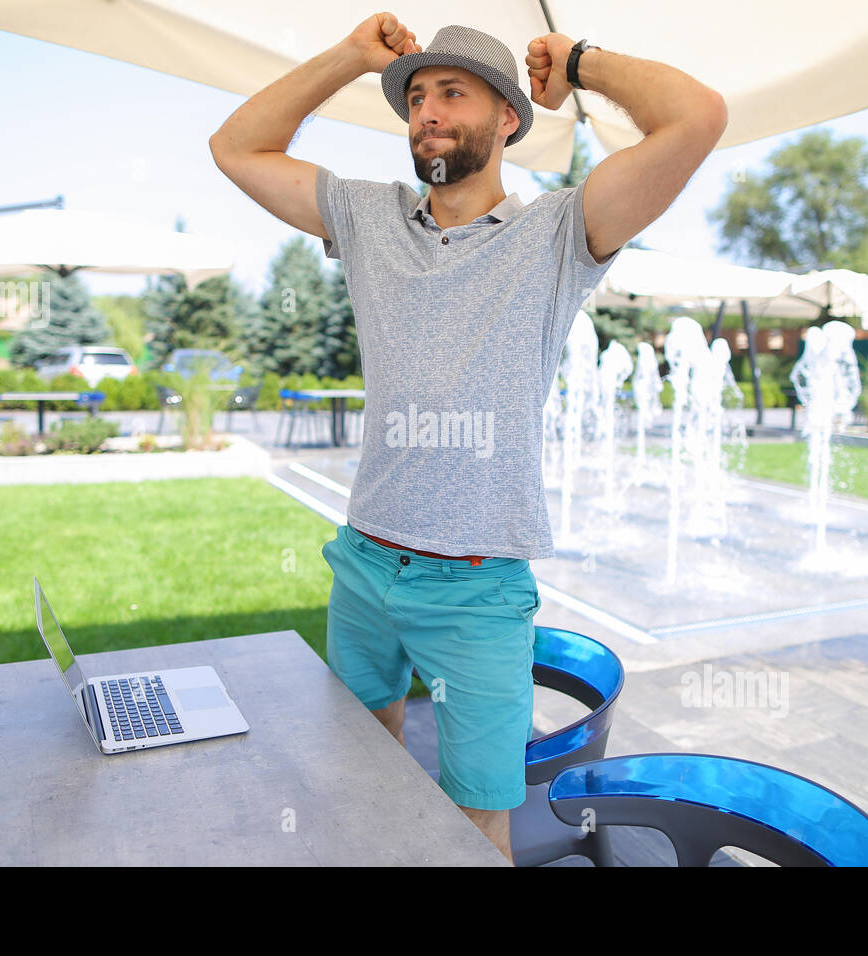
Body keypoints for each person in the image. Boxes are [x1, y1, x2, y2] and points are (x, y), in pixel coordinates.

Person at [209, 13, 726, 863]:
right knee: (356, 767)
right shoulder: (368, 217)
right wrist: (347, 57)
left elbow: (698, 117)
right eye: (416, 98)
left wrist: (582, 63)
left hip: (479, 589)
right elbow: (236, 146)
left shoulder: (563, 231)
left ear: (509, 119)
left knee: (479, 820)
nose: (428, 112)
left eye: (452, 92)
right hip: (366, 562)